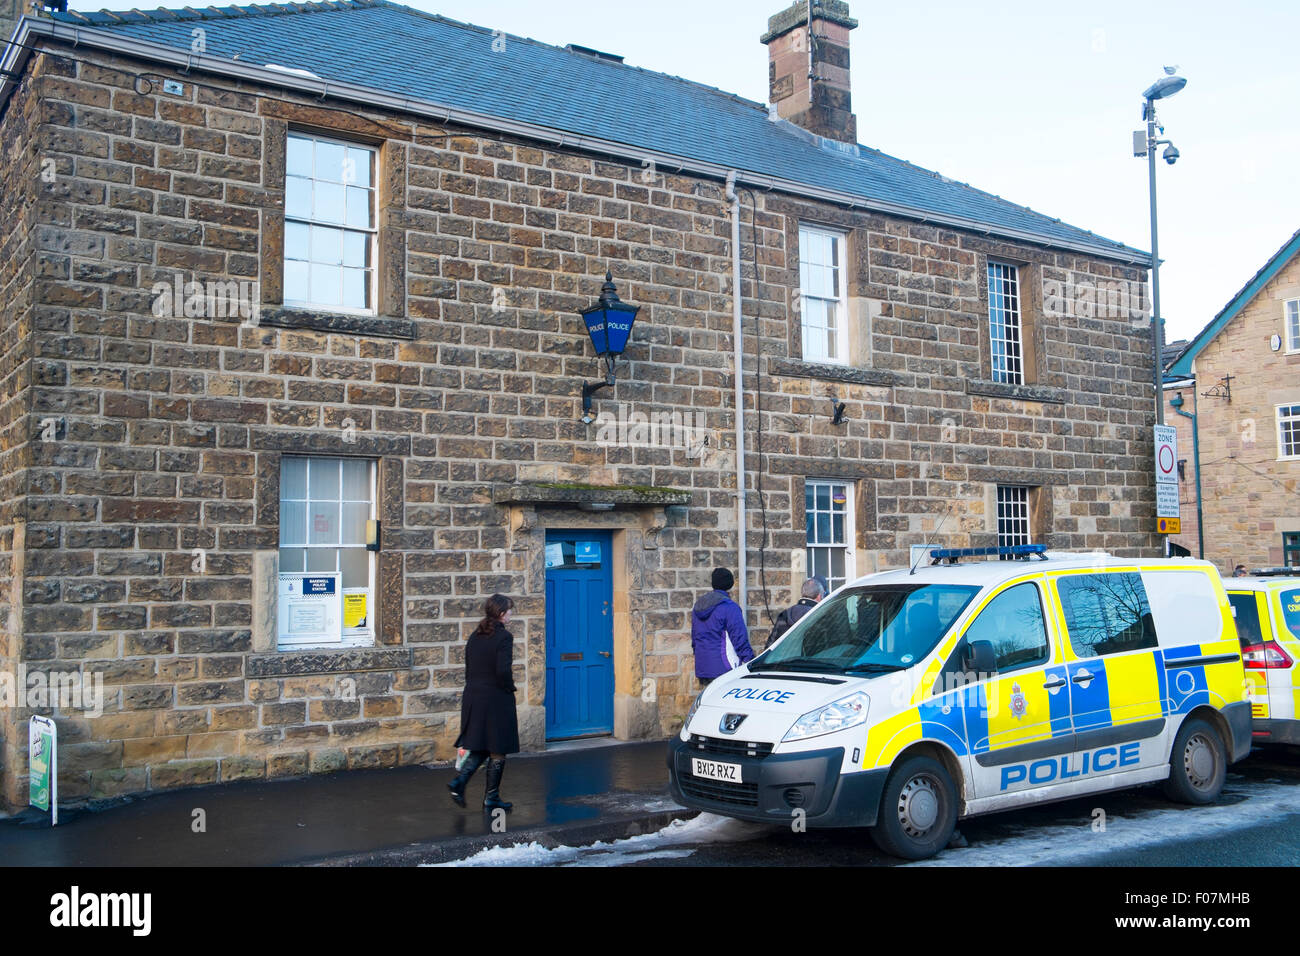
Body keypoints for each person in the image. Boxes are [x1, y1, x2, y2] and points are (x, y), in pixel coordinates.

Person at [447, 594, 519, 811]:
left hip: (474, 696)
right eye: (509, 610)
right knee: (498, 747)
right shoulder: (504, 637)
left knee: (481, 744)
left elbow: (469, 669)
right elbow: (503, 670)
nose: (511, 614)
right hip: (495, 698)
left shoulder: (475, 636)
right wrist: (509, 688)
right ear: (501, 613)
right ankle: (491, 797)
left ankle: (459, 783)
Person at [690, 568, 754, 686]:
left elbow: (694, 639)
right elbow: (739, 639)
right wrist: (751, 662)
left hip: (702, 667)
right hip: (724, 668)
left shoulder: (697, 607)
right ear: (730, 584)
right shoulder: (730, 608)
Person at [766, 577, 826, 649]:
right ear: (819, 596)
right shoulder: (820, 617)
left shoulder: (784, 614)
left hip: (784, 660)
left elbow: (770, 647)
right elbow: (825, 650)